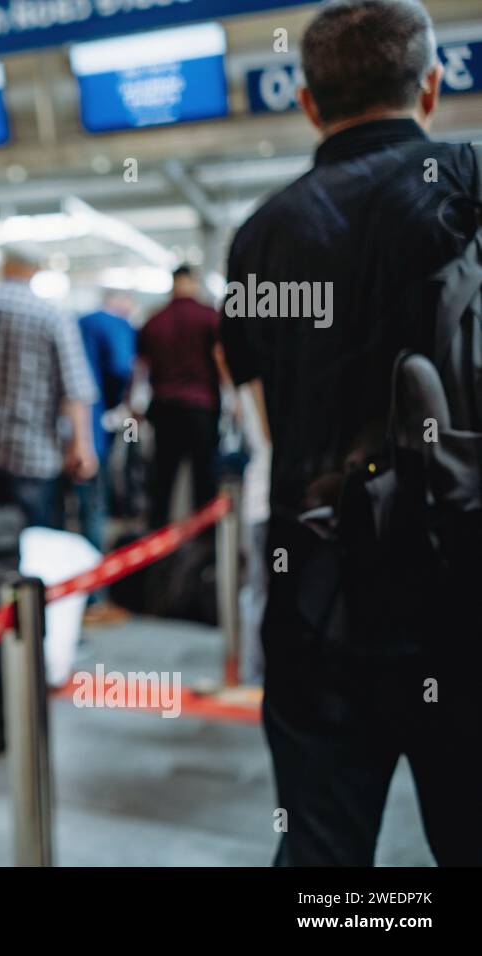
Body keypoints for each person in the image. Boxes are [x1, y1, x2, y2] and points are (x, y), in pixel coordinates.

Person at [218, 0, 482, 865]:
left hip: (318, 589)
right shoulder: (472, 183)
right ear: (433, 86)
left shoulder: (262, 236)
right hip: (461, 584)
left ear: (308, 103)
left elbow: (257, 404)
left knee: (324, 862)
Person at [0, 242, 98, 527]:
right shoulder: (52, 315)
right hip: (35, 456)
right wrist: (81, 446)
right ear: (34, 270)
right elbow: (75, 389)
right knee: (34, 544)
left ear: (4, 266)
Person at [136, 265, 229, 529]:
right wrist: (234, 400)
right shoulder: (208, 317)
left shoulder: (154, 321)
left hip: (163, 408)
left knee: (163, 477)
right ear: (193, 282)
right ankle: (204, 545)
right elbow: (220, 357)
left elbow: (141, 368)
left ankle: (156, 542)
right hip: (201, 408)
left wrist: (135, 407)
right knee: (204, 477)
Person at [71, 291, 137, 625]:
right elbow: (121, 367)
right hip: (90, 435)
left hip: (51, 440)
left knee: (55, 522)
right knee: (93, 515)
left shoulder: (74, 321)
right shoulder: (115, 326)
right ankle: (93, 599)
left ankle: (62, 601)